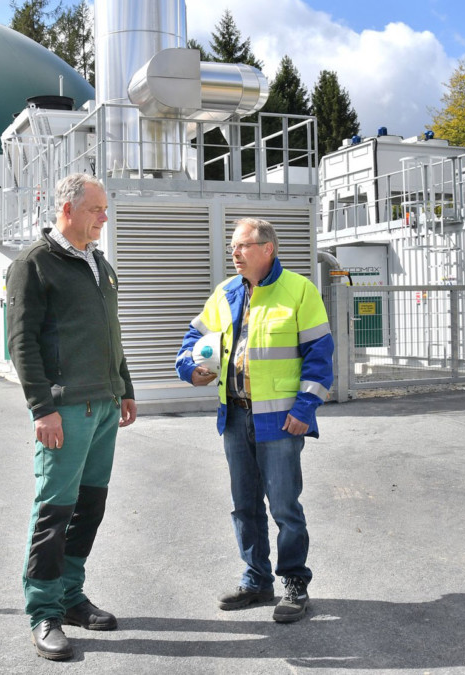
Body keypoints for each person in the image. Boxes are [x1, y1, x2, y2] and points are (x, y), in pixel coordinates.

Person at [174, 217, 334, 623]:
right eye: (233, 246)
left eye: (243, 245)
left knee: (284, 507)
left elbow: (320, 355)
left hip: (281, 421)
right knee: (244, 506)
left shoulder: (299, 291)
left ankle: (294, 583)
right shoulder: (226, 292)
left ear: (268, 249)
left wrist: (303, 410)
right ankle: (256, 579)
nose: (235, 253)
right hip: (234, 416)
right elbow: (194, 340)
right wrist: (190, 369)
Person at [5, 173, 137, 660]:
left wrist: (125, 387)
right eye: (97, 209)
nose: (105, 216)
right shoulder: (35, 265)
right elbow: (22, 342)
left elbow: (112, 332)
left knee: (90, 507)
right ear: (68, 209)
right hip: (65, 408)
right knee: (54, 511)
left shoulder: (99, 264)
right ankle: (43, 613)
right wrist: (42, 408)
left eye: (104, 209)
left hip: (104, 405)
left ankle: (70, 594)